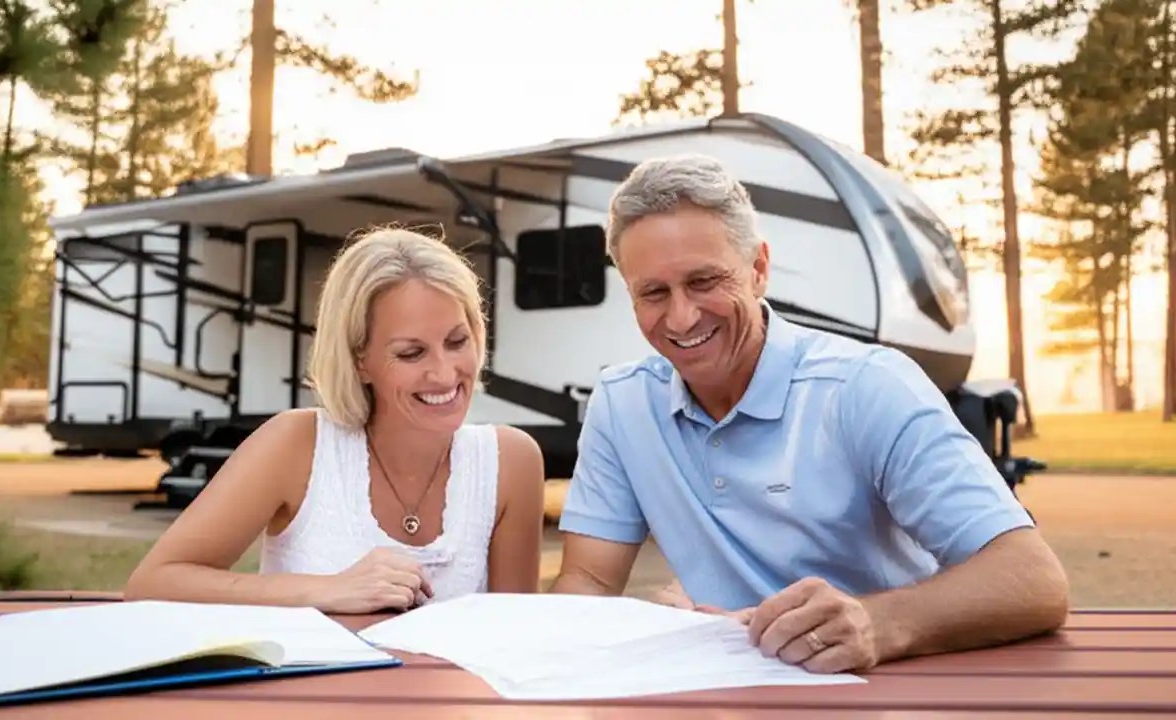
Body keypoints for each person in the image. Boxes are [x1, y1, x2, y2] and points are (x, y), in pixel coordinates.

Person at [550, 154, 1070, 673]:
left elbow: (1032, 578)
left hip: (880, 689)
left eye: (704, 281)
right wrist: (646, 626)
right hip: (725, 690)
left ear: (758, 269)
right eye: (654, 293)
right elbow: (588, 582)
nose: (682, 318)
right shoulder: (621, 403)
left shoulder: (867, 385)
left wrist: (875, 624)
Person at [126, 226, 545, 613]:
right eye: (411, 353)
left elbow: (514, 633)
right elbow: (153, 582)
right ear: (359, 359)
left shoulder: (511, 462)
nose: (444, 373)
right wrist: (325, 590)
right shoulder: (296, 445)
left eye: (457, 341)